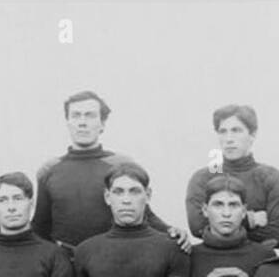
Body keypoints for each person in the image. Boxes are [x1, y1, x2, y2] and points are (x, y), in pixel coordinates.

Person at [33, 90, 178, 252]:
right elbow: (40, 226)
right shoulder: (49, 170)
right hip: (66, 266)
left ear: (102, 124)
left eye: (90, 115)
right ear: (67, 122)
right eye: (76, 115)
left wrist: (172, 232)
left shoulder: (121, 165)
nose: (82, 122)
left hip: (111, 258)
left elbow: (144, 213)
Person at [185, 103, 279, 247]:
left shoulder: (272, 179)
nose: (229, 139)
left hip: (259, 263)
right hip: (212, 260)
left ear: (253, 134)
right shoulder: (203, 178)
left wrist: (219, 228)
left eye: (236, 130)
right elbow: (197, 227)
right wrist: (250, 220)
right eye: (223, 131)